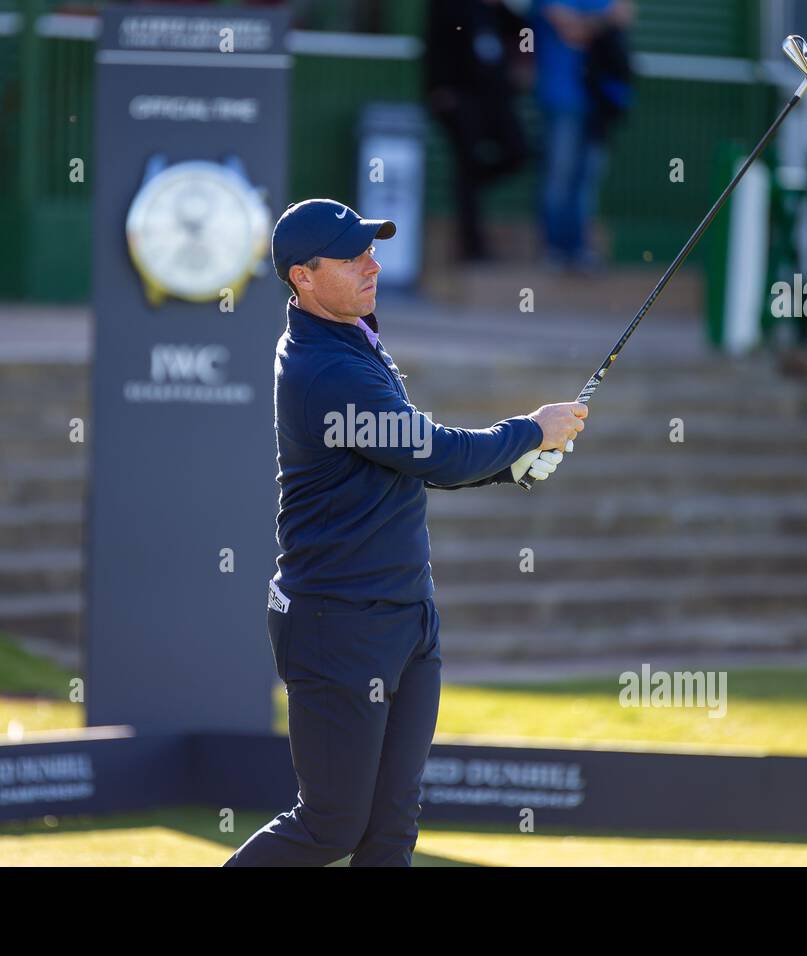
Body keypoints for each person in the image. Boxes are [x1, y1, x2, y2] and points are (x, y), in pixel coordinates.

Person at [224, 199, 585, 866]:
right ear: (303, 277)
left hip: (404, 616)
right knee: (331, 825)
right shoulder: (325, 369)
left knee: (391, 824)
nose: (374, 264)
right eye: (353, 255)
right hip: (340, 624)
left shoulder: (352, 336)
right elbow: (435, 453)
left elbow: (409, 465)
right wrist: (532, 430)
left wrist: (511, 470)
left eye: (372, 249)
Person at [533, 0, 634, 272]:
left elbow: (625, 14)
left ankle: (580, 249)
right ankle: (554, 248)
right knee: (559, 174)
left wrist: (587, 23)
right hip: (562, 99)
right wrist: (602, 21)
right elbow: (570, 30)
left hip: (598, 103)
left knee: (587, 178)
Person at [425, 0, 530, 262]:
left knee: (518, 152)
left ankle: (472, 185)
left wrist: (524, 62)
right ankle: (472, 247)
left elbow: (524, 30)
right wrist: (439, 89)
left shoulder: (496, 11)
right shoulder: (448, 7)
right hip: (460, 98)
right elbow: (435, 45)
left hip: (495, 98)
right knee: (466, 161)